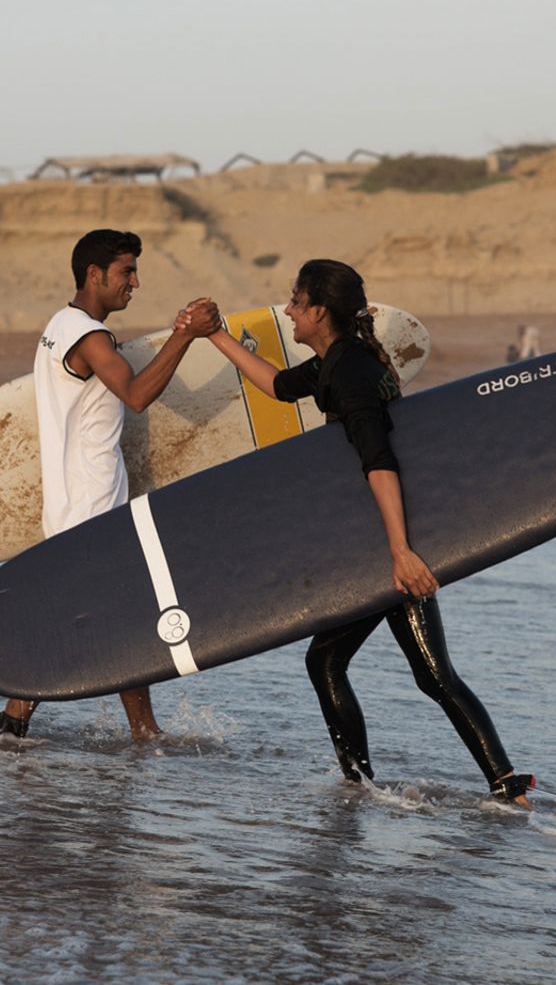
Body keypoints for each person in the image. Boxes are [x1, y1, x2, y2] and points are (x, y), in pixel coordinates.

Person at [203, 259, 534, 807]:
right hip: (380, 539)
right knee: (392, 669)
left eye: (295, 301)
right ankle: (461, 785)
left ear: (319, 311)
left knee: (409, 671)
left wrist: (401, 553)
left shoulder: (351, 374)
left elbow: (379, 461)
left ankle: (407, 785)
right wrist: (215, 335)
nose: (287, 310)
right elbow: (281, 386)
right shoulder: (340, 361)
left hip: (389, 543)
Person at [0, 228, 221, 743]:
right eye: (126, 272)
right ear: (95, 274)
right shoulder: (88, 337)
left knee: (94, 620)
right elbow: (136, 395)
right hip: (90, 509)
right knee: (119, 620)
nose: (135, 282)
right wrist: (184, 334)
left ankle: (15, 723)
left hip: (78, 505)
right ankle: (141, 733)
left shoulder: (59, 326)